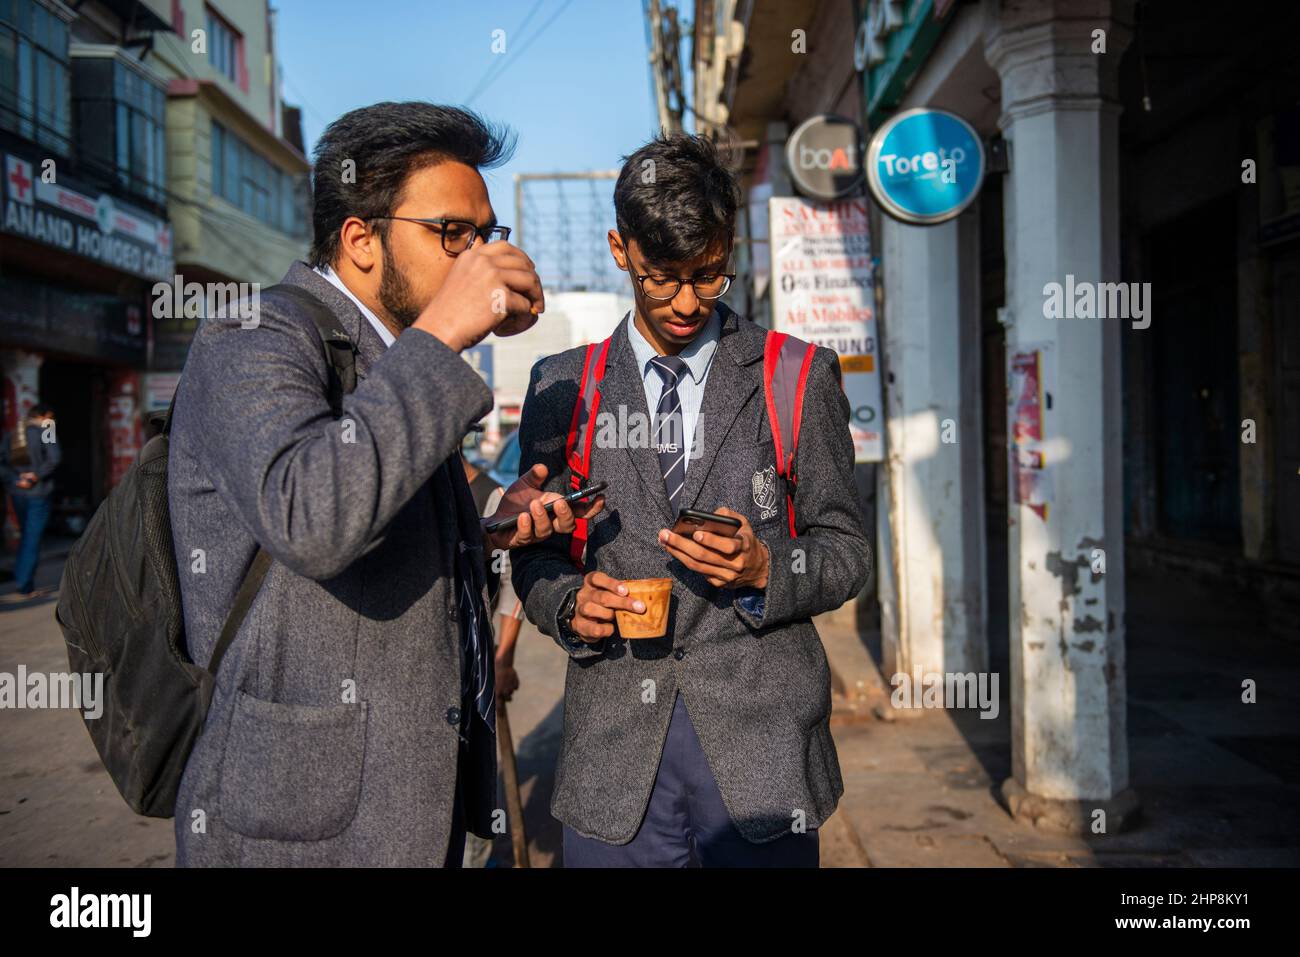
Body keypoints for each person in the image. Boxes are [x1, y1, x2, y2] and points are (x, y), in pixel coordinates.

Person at [167, 102, 601, 867]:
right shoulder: (253, 335)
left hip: (425, 805)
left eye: (485, 235)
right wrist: (448, 332)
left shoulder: (392, 355)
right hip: (305, 827)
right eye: (451, 235)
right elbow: (313, 516)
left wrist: (496, 514)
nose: (477, 259)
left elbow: (396, 509)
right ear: (361, 239)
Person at [511, 133, 871, 867]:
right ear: (620, 249)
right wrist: (566, 604)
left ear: (731, 246)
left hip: (763, 758)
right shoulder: (562, 387)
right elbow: (535, 555)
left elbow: (849, 551)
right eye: (661, 276)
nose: (685, 302)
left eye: (708, 276)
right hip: (614, 763)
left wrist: (768, 567)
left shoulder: (796, 376)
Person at [460, 445, 526, 868]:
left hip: (478, 666)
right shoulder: (419, 493)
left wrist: (503, 659)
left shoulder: (490, 496)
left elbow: (510, 587)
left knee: (472, 786)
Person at [0, 403, 61, 602]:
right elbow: (54, 458)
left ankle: (21, 578)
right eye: (50, 416)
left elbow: (2, 462)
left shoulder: (15, 432)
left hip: (17, 492)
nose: (52, 420)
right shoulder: (48, 429)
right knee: (31, 538)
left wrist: (16, 479)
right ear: (43, 416)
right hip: (38, 492)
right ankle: (24, 585)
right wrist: (35, 476)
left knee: (26, 534)